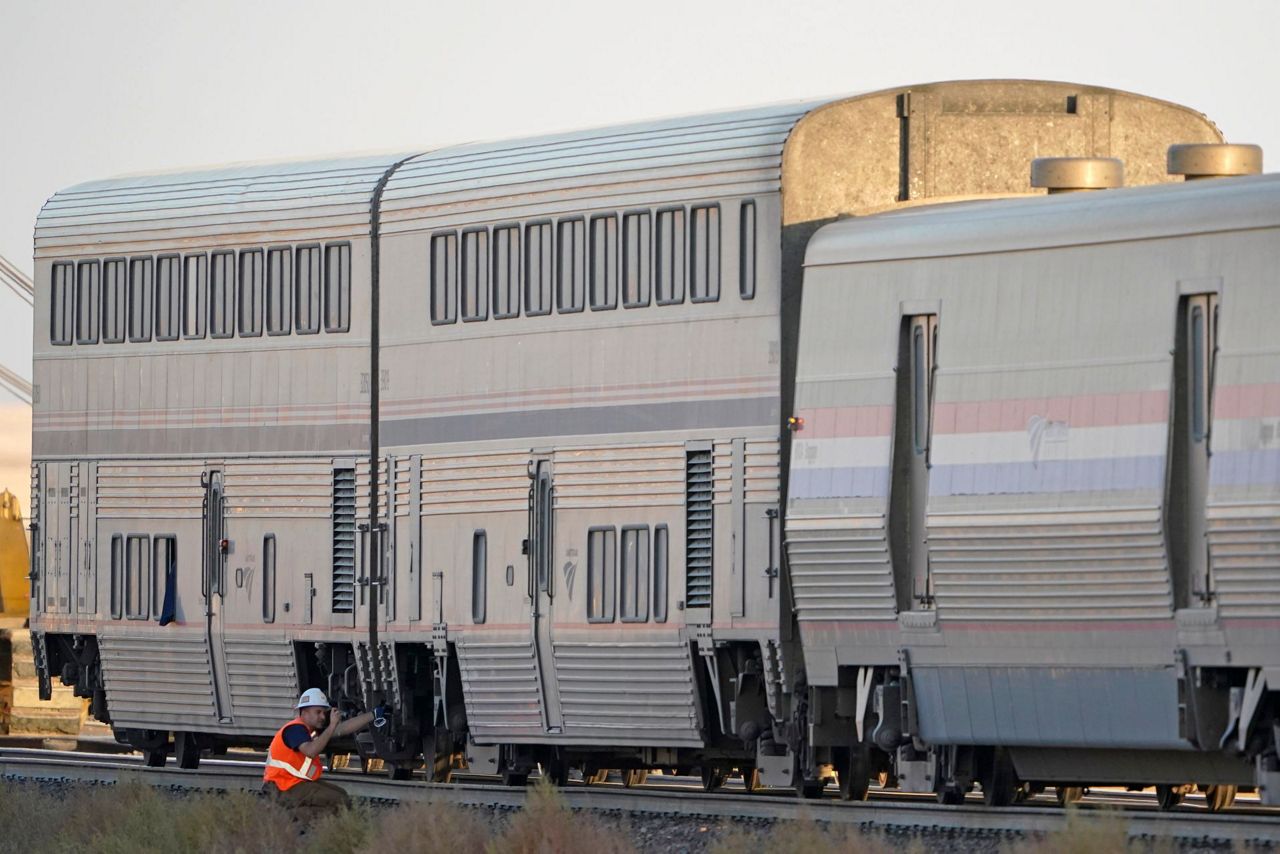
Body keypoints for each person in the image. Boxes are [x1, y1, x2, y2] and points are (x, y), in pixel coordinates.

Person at [262, 687, 385, 820]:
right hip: (281, 788)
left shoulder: (310, 731)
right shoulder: (295, 729)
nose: (322, 717)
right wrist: (331, 726)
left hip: (292, 783)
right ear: (304, 712)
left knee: (341, 797)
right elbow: (311, 751)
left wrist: (373, 715)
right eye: (318, 712)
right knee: (339, 800)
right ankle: (285, 817)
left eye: (323, 712)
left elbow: (342, 729)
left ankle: (308, 822)